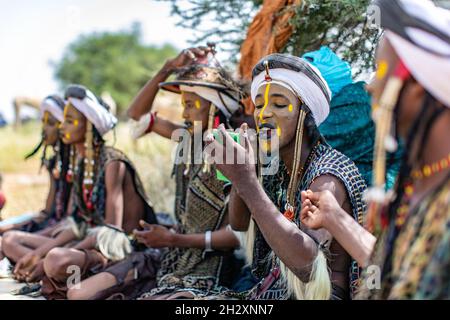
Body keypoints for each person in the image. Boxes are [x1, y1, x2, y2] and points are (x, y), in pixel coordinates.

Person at [64, 47, 243, 300]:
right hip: (168, 257)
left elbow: (235, 236)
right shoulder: (187, 140)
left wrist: (173, 238)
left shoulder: (231, 150)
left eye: (191, 105)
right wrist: (168, 67)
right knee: (77, 294)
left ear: (214, 107)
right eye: (183, 105)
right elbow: (136, 114)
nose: (184, 114)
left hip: (206, 270)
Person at [300, 0, 450, 299]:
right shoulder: (415, 185)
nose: (369, 87)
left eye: (380, 72)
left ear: (417, 85)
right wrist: (335, 218)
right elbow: (396, 272)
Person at [206, 53, 367, 300]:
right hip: (275, 289)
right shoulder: (277, 166)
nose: (264, 115)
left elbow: (308, 268)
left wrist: (246, 181)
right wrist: (242, 175)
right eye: (259, 105)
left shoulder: (327, 175)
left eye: (279, 104)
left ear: (305, 114)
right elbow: (239, 224)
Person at [0, 95, 73, 280]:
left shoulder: (76, 163)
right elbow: (47, 211)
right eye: (43, 122)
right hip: (51, 225)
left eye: (50, 123)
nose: (44, 129)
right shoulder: (55, 161)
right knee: (6, 232)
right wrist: (15, 225)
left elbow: (70, 221)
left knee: (7, 241)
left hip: (64, 233)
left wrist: (20, 233)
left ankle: (40, 266)